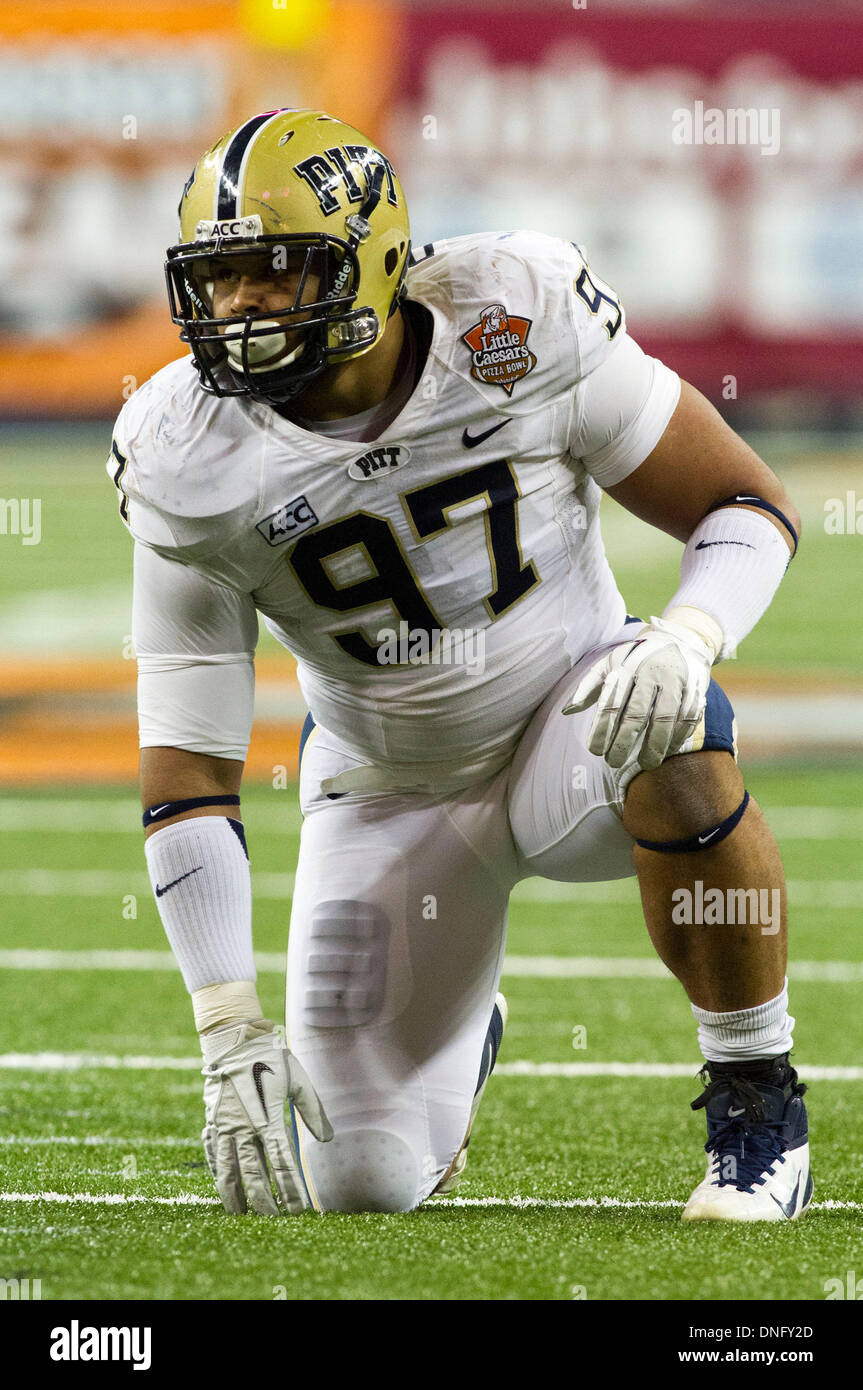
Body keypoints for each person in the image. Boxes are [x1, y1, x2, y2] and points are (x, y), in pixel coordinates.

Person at [109, 108, 809, 1220]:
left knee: (670, 720)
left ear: (376, 261)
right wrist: (226, 1018)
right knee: (360, 1182)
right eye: (222, 276)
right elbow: (188, 772)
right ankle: (457, 1028)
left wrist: (686, 637)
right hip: (385, 786)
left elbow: (740, 501)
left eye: (277, 271)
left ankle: (755, 1097)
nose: (240, 307)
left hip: (572, 725)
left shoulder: (513, 317)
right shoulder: (183, 456)